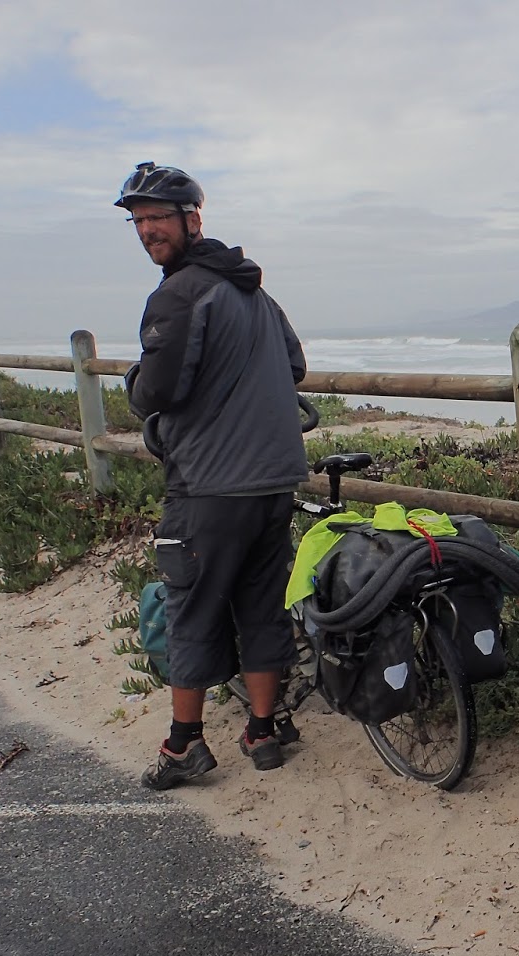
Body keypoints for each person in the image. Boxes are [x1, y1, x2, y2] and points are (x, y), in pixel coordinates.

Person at [116, 161, 311, 789]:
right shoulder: (256, 293)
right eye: (138, 221)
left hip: (208, 484)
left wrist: (134, 381)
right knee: (261, 603)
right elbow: (295, 366)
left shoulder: (178, 295)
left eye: (157, 218)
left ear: (192, 219)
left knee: (192, 606)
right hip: (273, 481)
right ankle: (262, 730)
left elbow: (159, 390)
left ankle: (185, 745)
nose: (147, 230)